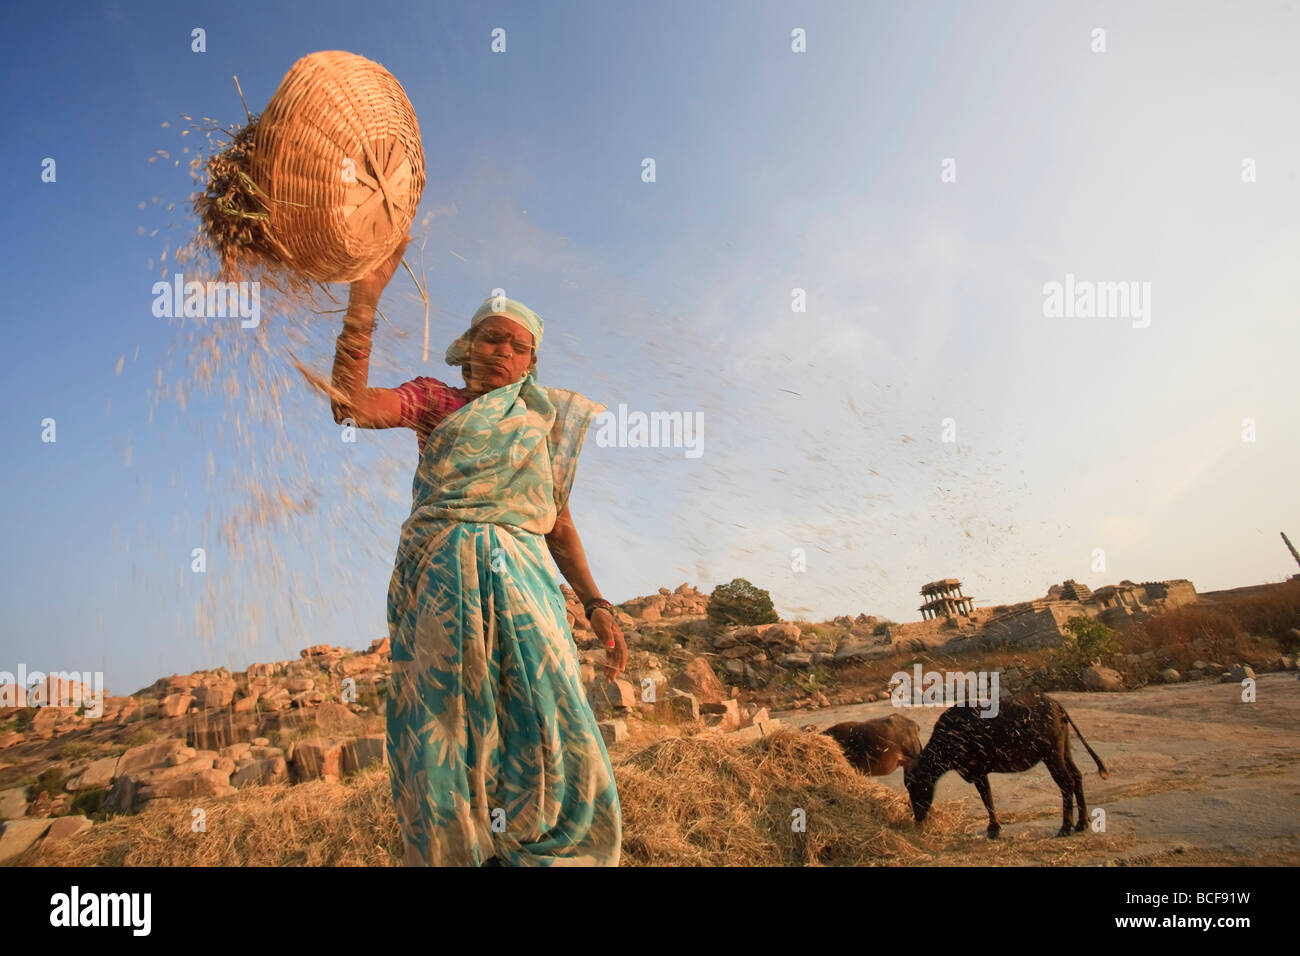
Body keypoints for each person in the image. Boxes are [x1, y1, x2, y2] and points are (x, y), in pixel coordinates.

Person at [329, 236, 626, 866]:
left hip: (525, 588)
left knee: (554, 721)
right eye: (493, 338)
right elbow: (350, 407)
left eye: (519, 346)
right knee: (442, 731)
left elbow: (558, 523)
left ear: (531, 364)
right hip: (441, 584)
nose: (504, 352)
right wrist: (364, 299)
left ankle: (546, 851)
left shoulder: (541, 423)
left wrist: (597, 604)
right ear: (469, 346)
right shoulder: (438, 402)